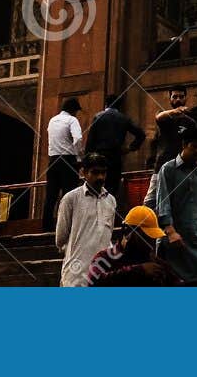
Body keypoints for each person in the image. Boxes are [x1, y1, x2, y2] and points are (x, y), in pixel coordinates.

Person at [151, 125, 197, 286]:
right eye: (194, 147)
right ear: (184, 145)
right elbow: (163, 202)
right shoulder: (168, 169)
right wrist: (170, 231)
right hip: (176, 237)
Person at [54, 153, 115, 287]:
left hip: (103, 274)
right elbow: (60, 239)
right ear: (84, 173)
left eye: (103, 173)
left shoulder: (111, 200)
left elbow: (108, 234)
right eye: (95, 172)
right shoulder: (71, 199)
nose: (100, 177)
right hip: (76, 275)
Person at [87, 205, 177, 287]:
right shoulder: (105, 258)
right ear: (128, 231)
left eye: (153, 238)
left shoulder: (154, 264)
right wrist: (139, 270)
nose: (151, 242)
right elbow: (94, 281)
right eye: (146, 237)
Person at [85, 94, 145, 203]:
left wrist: (86, 161)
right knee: (111, 192)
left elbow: (90, 141)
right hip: (115, 158)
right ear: (120, 106)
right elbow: (141, 134)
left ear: (106, 104)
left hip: (98, 158)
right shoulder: (123, 118)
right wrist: (130, 148)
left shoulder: (98, 117)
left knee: (95, 190)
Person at [42, 97, 83, 231]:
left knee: (51, 197)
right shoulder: (72, 120)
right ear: (73, 110)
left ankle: (46, 228)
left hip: (53, 160)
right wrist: (79, 157)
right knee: (69, 195)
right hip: (68, 160)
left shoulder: (52, 120)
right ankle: (67, 228)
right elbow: (77, 139)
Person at [152, 87, 196, 170]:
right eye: (175, 97)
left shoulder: (190, 122)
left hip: (182, 167)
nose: (178, 99)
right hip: (161, 166)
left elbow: (192, 145)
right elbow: (158, 117)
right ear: (170, 99)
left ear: (186, 98)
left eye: (181, 97)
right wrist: (175, 111)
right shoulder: (164, 116)